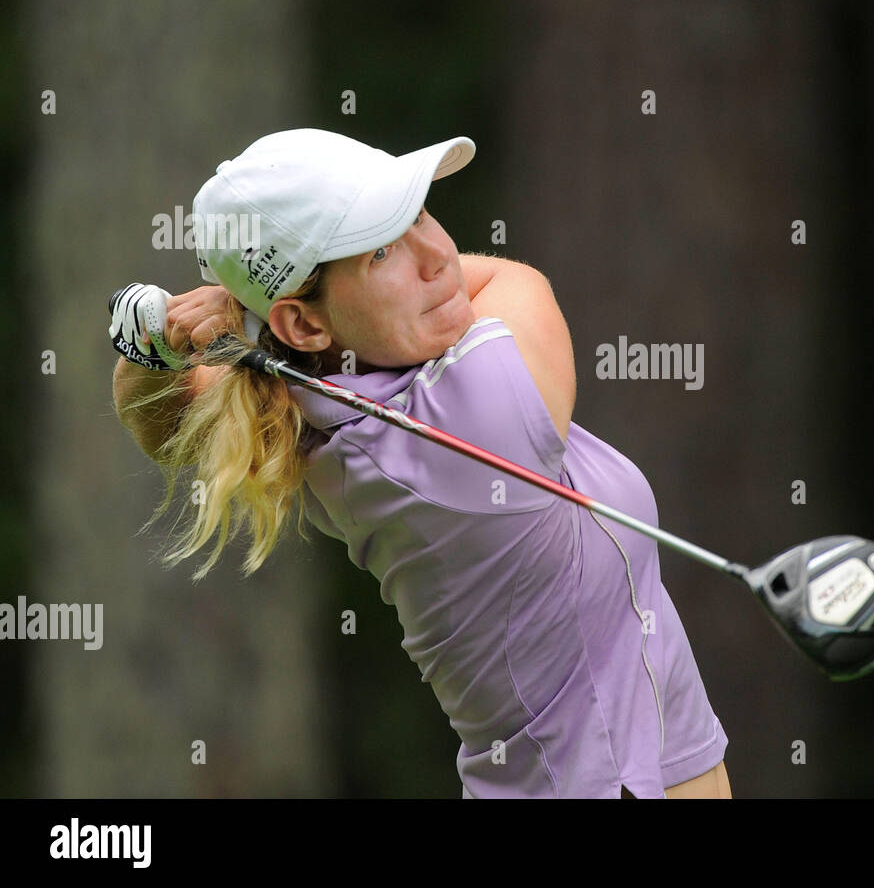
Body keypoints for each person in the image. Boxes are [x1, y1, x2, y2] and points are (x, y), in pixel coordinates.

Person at [110, 128, 731, 799]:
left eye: (418, 217)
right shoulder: (480, 420)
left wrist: (174, 334)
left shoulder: (296, 406)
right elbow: (515, 280)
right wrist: (239, 312)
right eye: (382, 250)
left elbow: (153, 412)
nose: (436, 256)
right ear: (306, 326)